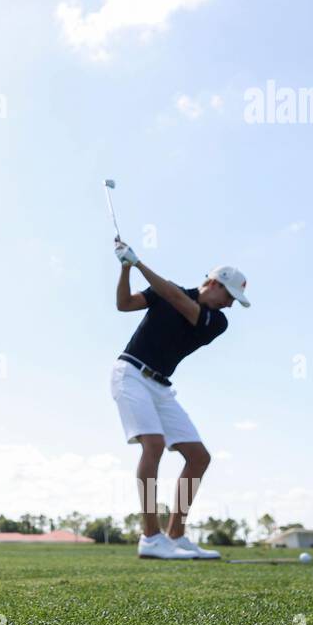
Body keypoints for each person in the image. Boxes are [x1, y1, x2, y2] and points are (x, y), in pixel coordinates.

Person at [111, 239, 249, 560]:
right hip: (130, 373)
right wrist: (126, 268)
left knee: (199, 457)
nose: (230, 304)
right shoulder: (165, 290)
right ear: (213, 283)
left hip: (161, 387)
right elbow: (124, 304)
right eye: (229, 295)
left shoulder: (217, 321)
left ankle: (176, 535)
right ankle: (150, 537)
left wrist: (140, 263)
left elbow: (177, 299)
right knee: (154, 445)